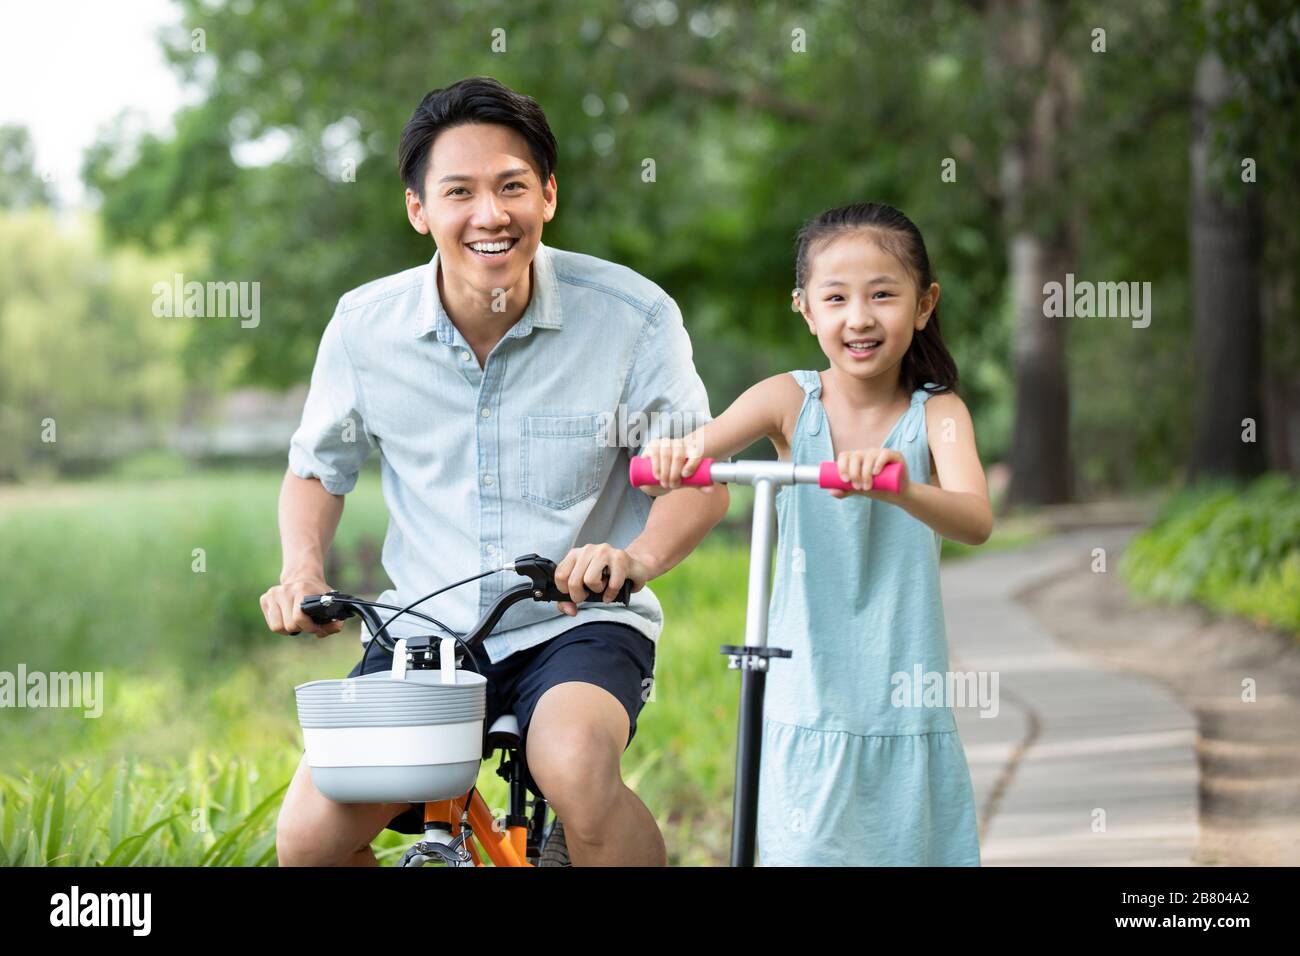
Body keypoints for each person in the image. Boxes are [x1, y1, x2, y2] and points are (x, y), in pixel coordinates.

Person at [262, 76, 728, 866]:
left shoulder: (631, 315)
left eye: (512, 186)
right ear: (419, 210)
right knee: (309, 839)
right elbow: (318, 469)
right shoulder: (364, 327)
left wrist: (633, 559)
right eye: (459, 192)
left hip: (578, 623)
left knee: (576, 768)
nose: (490, 214)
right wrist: (302, 569)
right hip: (425, 635)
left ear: (548, 195)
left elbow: (699, 481)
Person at [640, 201, 990, 865]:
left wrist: (904, 486)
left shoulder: (938, 413)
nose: (859, 317)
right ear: (806, 309)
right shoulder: (786, 400)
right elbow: (688, 460)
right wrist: (672, 458)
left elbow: (976, 518)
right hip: (806, 690)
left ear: (923, 304)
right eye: (836, 298)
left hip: (902, 692)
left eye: (883, 295)